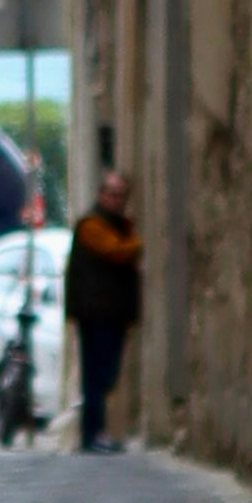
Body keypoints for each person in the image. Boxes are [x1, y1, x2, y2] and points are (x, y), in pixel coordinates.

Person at [64, 167, 143, 452]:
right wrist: (136, 243)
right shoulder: (92, 225)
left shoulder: (117, 225)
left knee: (106, 375)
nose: (117, 200)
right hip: (96, 314)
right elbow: (116, 251)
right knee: (96, 376)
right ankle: (92, 435)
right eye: (112, 194)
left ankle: (96, 433)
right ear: (101, 195)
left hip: (113, 314)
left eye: (121, 195)